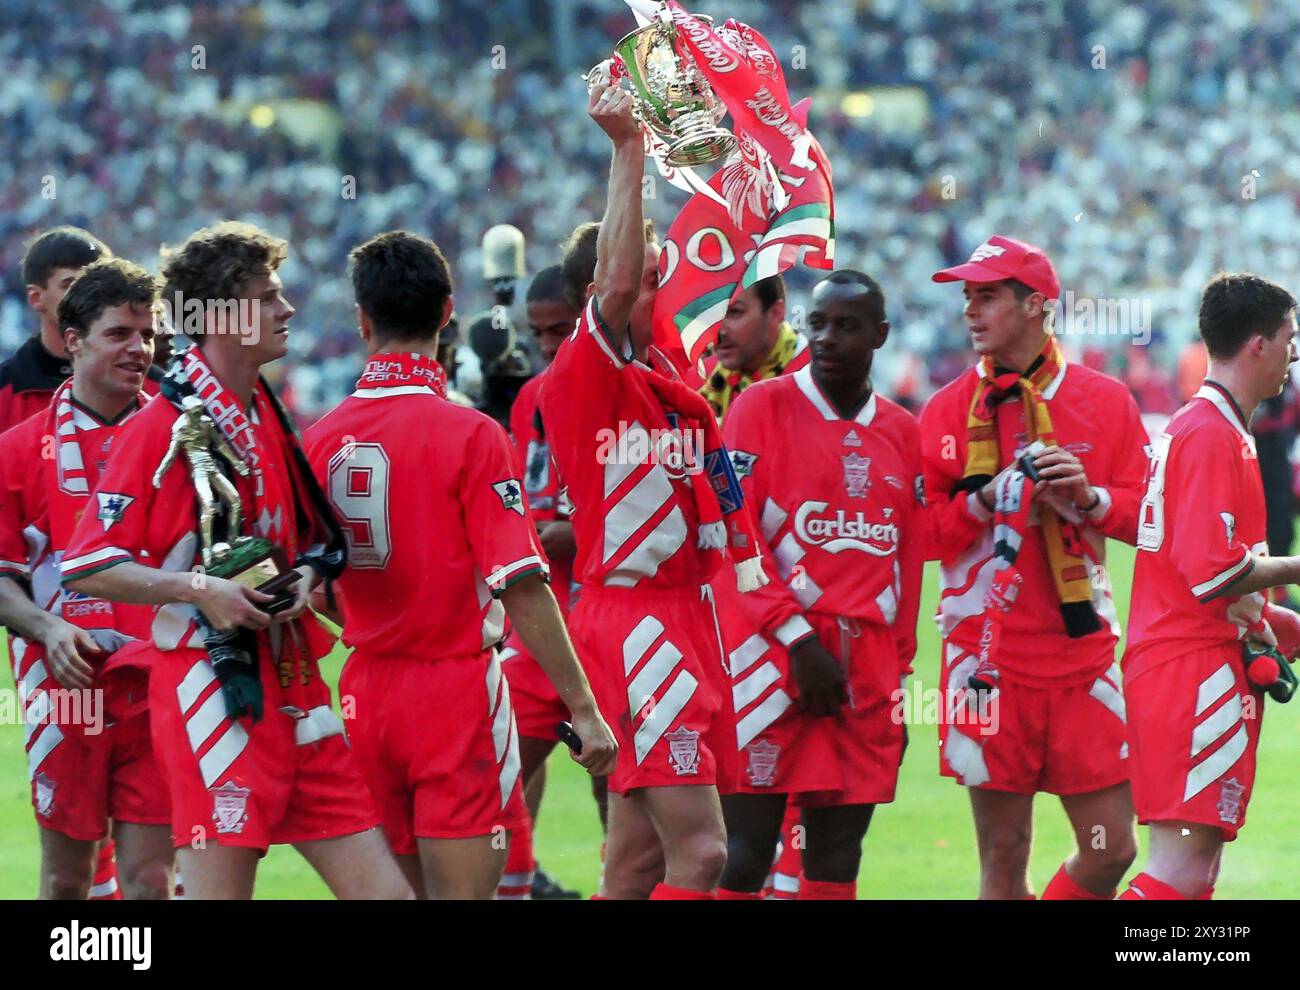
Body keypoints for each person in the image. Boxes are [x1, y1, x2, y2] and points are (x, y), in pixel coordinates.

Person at [60, 221, 410, 900]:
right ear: (223, 314)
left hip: (296, 685)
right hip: (213, 693)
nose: (288, 309)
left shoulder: (264, 413)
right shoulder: (165, 425)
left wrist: (308, 573)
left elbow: (307, 541)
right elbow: (87, 563)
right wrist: (198, 589)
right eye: (269, 296)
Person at [302, 231, 615, 899]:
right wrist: (584, 708)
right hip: (453, 693)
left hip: (363, 690)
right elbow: (522, 584)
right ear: (448, 312)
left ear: (362, 320)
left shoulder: (319, 438)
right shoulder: (472, 434)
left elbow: (316, 590)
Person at [538, 80, 764, 899]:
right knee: (703, 856)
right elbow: (617, 281)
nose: (662, 285)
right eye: (651, 275)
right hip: (637, 626)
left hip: (679, 618)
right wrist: (628, 150)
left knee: (633, 865)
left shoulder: (668, 377)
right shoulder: (588, 378)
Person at [920, 236, 1149, 899]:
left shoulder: (1105, 402)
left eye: (987, 296)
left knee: (1112, 847)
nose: (970, 310)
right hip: (984, 661)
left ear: (1037, 307)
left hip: (1082, 655)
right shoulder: (943, 411)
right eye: (967, 296)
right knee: (1003, 856)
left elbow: (1146, 519)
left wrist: (1089, 497)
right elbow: (922, 537)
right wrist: (982, 502)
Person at [713, 271, 923, 900]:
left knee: (836, 855)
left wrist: (898, 673)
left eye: (847, 325)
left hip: (864, 676)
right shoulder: (759, 408)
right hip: (768, 663)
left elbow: (906, 565)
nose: (826, 338)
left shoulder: (902, 433)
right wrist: (798, 641)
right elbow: (734, 537)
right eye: (818, 323)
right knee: (743, 855)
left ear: (880, 335)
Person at [1121, 273, 1300, 900]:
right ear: (1257, 345)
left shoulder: (1217, 427)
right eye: (1289, 339)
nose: (1293, 355)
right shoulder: (1210, 434)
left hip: (1198, 667)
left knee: (1196, 876)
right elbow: (1212, 575)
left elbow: (1203, 574)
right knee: (1179, 870)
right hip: (1189, 675)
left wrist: (1281, 627)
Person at [0, 258, 171, 899]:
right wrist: (47, 627)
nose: (140, 349)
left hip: (160, 684)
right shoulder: (17, 450)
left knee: (153, 880)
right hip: (62, 695)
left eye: (147, 334)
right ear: (73, 341)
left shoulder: (183, 442)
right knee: (68, 880)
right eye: (120, 334)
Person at [2, 225, 122, 898]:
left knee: (153, 859)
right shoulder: (7, 398)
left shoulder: (154, 398)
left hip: (144, 646)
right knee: (73, 862)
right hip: (51, 645)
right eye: (74, 286)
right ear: (38, 300)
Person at [497, 264, 587, 900]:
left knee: (623, 790)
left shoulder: (619, 392)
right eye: (539, 332)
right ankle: (515, 884)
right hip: (539, 618)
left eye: (562, 328)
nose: (550, 344)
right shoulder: (529, 399)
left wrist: (578, 534)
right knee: (500, 772)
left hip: (611, 612)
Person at [699, 275, 807, 420]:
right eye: (712, 316)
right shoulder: (698, 376)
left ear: (776, 313)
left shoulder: (820, 380)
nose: (719, 331)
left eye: (735, 312)